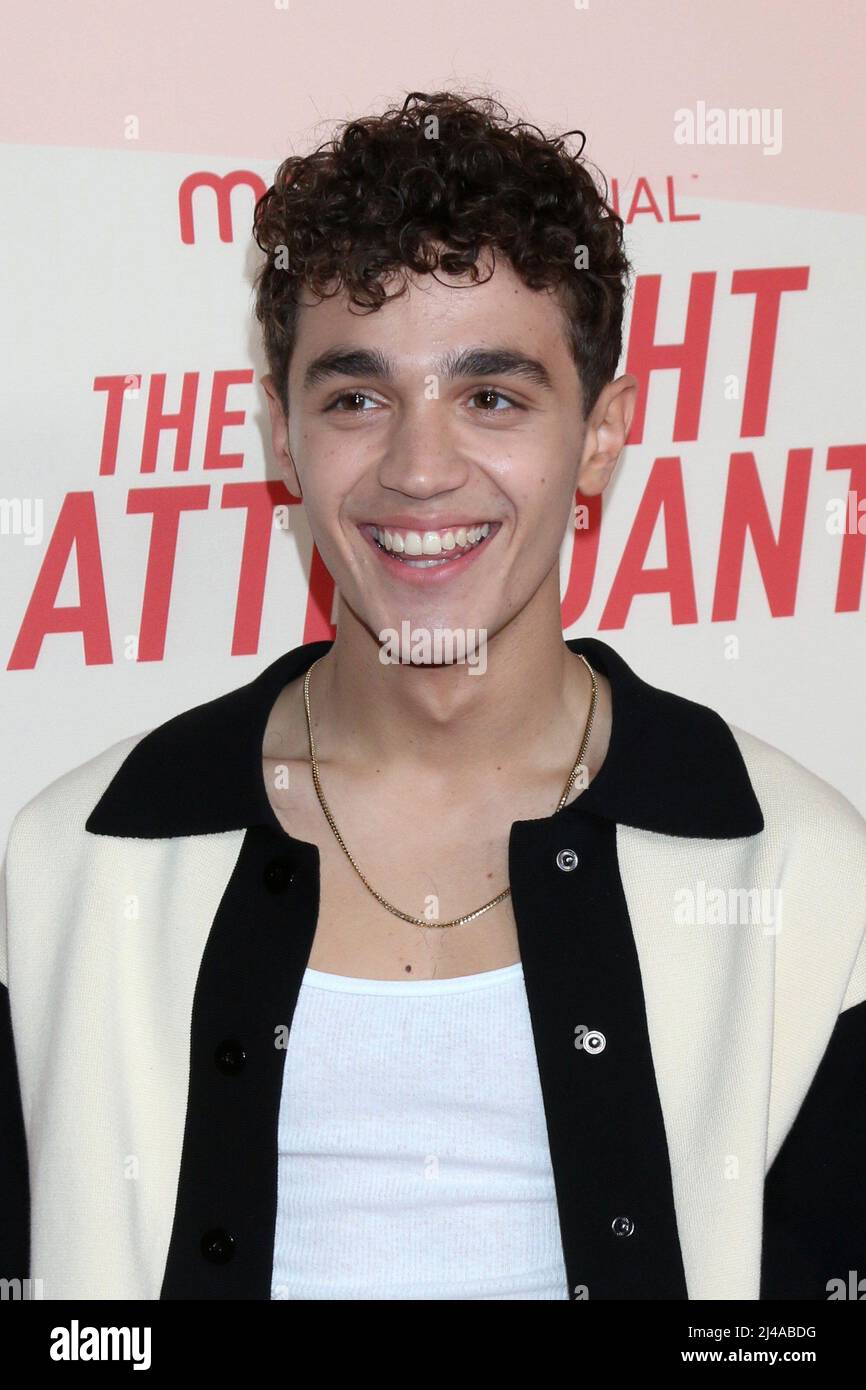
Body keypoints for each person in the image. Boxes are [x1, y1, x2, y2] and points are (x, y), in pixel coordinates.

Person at [1, 91, 864, 1302]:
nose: (418, 470)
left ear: (601, 437)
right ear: (282, 441)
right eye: (356, 398)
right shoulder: (72, 869)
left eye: (492, 398)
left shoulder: (800, 880)